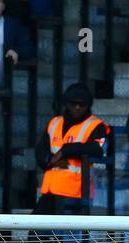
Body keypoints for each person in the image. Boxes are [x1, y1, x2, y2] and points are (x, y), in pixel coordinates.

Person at [34, 82, 108, 214]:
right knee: (35, 232)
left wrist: (66, 151)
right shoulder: (55, 122)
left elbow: (98, 149)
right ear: (66, 104)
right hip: (50, 189)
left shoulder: (96, 125)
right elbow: (41, 149)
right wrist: (47, 160)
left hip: (76, 193)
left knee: (67, 233)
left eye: (82, 104)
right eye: (73, 103)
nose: (78, 107)